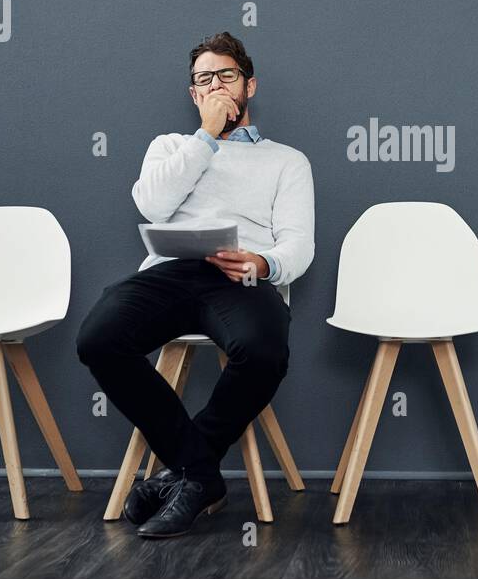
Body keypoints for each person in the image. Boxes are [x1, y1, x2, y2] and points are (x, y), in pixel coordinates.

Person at [77, 31, 314, 538]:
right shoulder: (171, 147)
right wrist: (205, 137)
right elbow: (152, 206)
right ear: (194, 95)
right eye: (203, 80)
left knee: (264, 349)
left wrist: (262, 262)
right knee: (99, 337)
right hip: (171, 270)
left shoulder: (287, 161)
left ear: (249, 85)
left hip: (242, 278)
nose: (215, 86)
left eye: (226, 76)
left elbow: (299, 245)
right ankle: (200, 475)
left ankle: (186, 472)